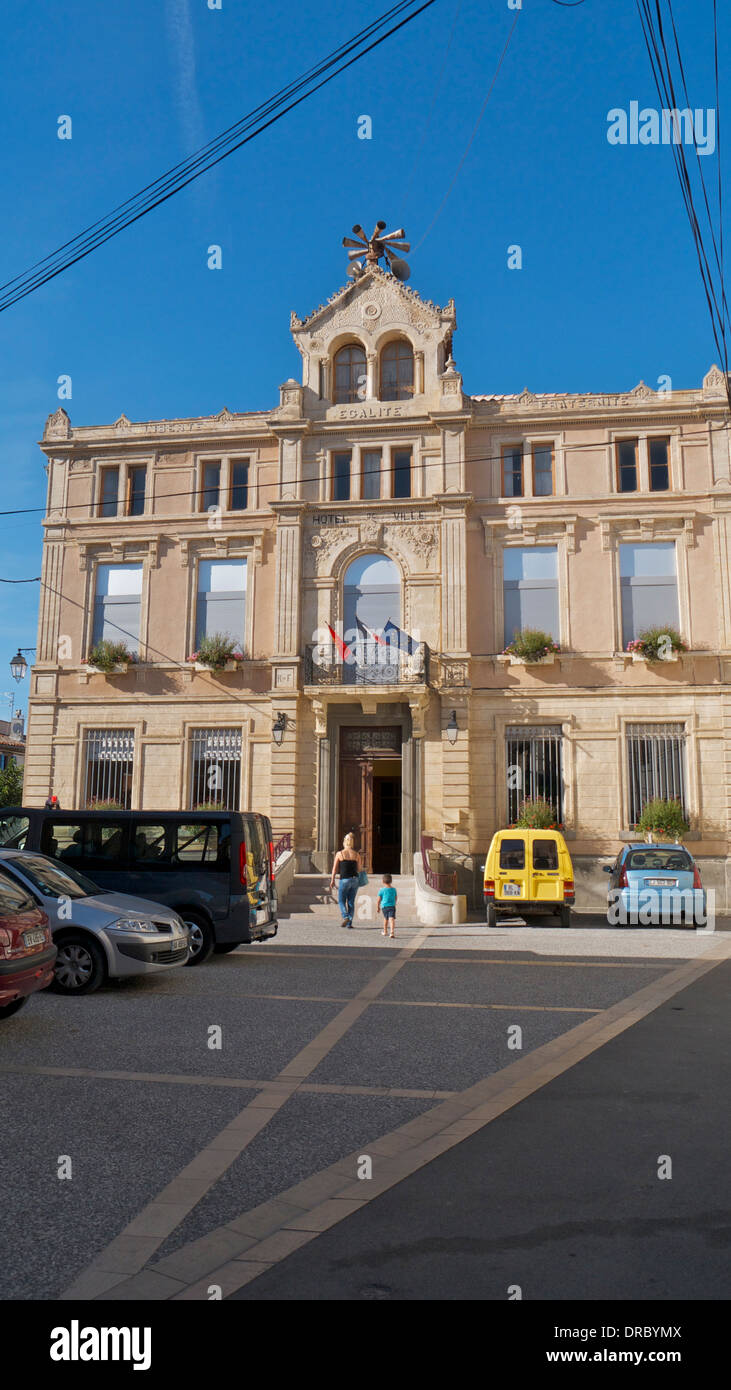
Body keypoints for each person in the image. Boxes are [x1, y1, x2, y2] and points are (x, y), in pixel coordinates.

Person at [329, 833, 362, 929]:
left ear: (344, 842)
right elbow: (359, 869)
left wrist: (332, 880)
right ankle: (349, 923)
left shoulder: (340, 854)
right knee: (351, 902)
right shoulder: (356, 854)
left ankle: (345, 916)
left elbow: (335, 869)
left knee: (341, 900)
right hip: (355, 879)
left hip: (344, 879)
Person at [378, 873, 397, 939]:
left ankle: (385, 931)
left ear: (383, 881)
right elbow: (395, 897)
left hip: (384, 906)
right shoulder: (394, 889)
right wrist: (394, 903)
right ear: (391, 881)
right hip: (392, 906)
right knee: (391, 919)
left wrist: (378, 907)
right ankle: (392, 932)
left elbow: (379, 899)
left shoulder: (382, 890)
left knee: (385, 919)